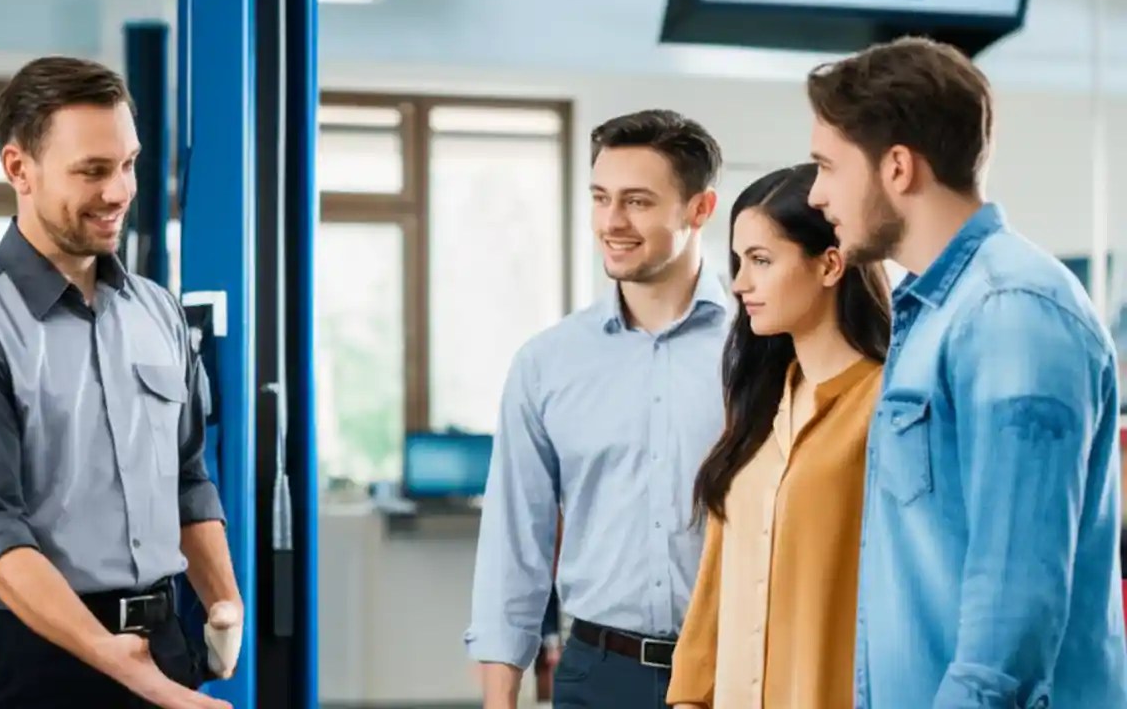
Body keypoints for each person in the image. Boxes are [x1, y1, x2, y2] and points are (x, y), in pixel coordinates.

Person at [0, 57, 242, 709]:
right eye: (92, 171)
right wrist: (131, 672)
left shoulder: (159, 313)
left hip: (161, 644)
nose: (119, 191)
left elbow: (188, 479)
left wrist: (224, 601)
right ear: (18, 168)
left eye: (128, 164)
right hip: (28, 666)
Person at [805, 36, 1127, 708]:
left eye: (828, 167)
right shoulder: (935, 311)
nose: (815, 194)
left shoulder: (1010, 312)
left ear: (897, 167)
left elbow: (1010, 625)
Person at [465, 109, 731, 709]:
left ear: (700, 209)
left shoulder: (759, 349)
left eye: (637, 201)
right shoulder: (547, 362)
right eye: (601, 198)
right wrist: (499, 698)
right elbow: (514, 540)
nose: (612, 222)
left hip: (735, 668)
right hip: (599, 674)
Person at [665, 163, 889, 709]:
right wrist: (689, 697)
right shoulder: (758, 405)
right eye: (739, 262)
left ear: (830, 264)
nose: (740, 283)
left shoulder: (887, 407)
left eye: (761, 260)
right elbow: (714, 585)